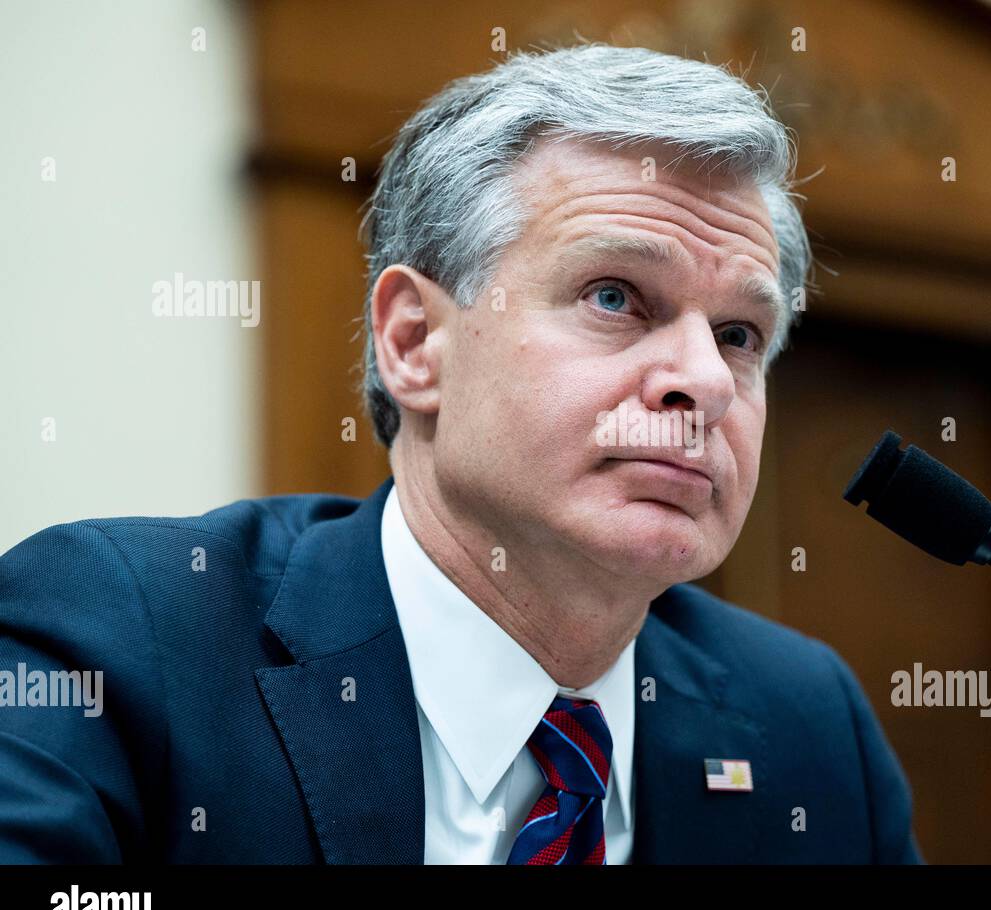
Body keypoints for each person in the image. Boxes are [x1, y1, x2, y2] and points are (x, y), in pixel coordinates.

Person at [0, 43, 922, 864]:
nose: (704, 383)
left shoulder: (808, 724)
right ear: (414, 343)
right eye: (615, 296)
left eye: (738, 335)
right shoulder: (120, 637)